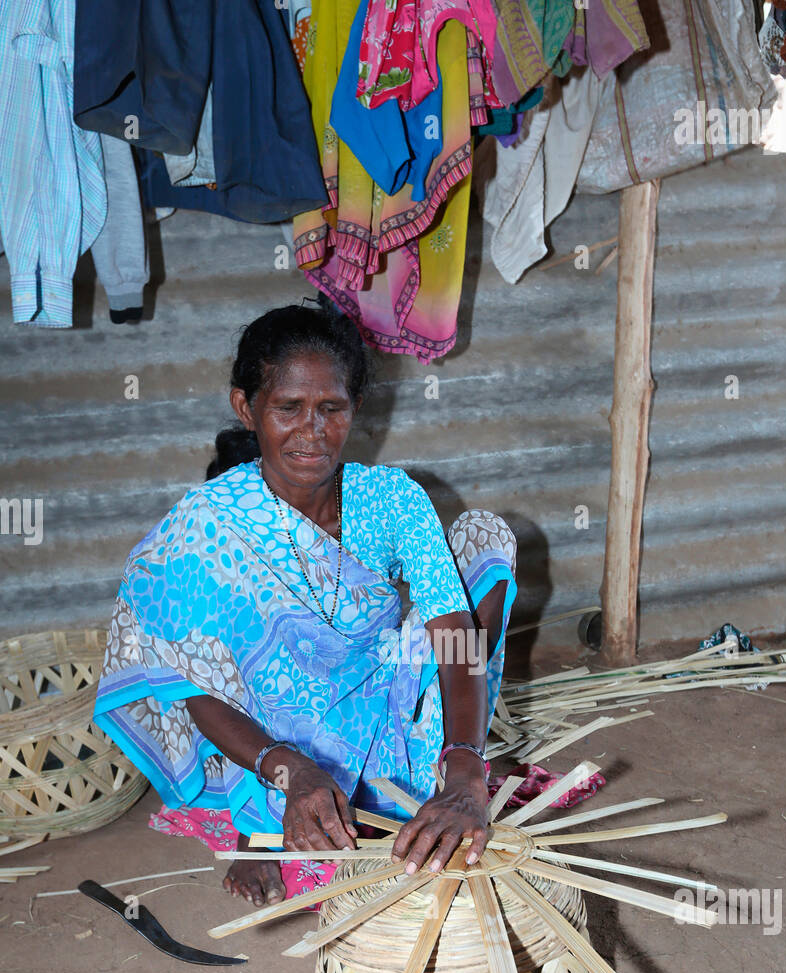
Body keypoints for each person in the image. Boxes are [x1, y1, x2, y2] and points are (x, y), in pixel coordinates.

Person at [94, 303, 517, 906]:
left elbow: (451, 631)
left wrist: (468, 770)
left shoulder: (391, 498)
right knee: (207, 654)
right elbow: (195, 689)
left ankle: (419, 780)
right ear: (247, 408)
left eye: (332, 409)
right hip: (273, 722)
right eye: (288, 409)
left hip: (378, 692)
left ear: (357, 408)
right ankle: (265, 824)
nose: (312, 432)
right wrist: (293, 770)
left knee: (485, 540)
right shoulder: (205, 525)